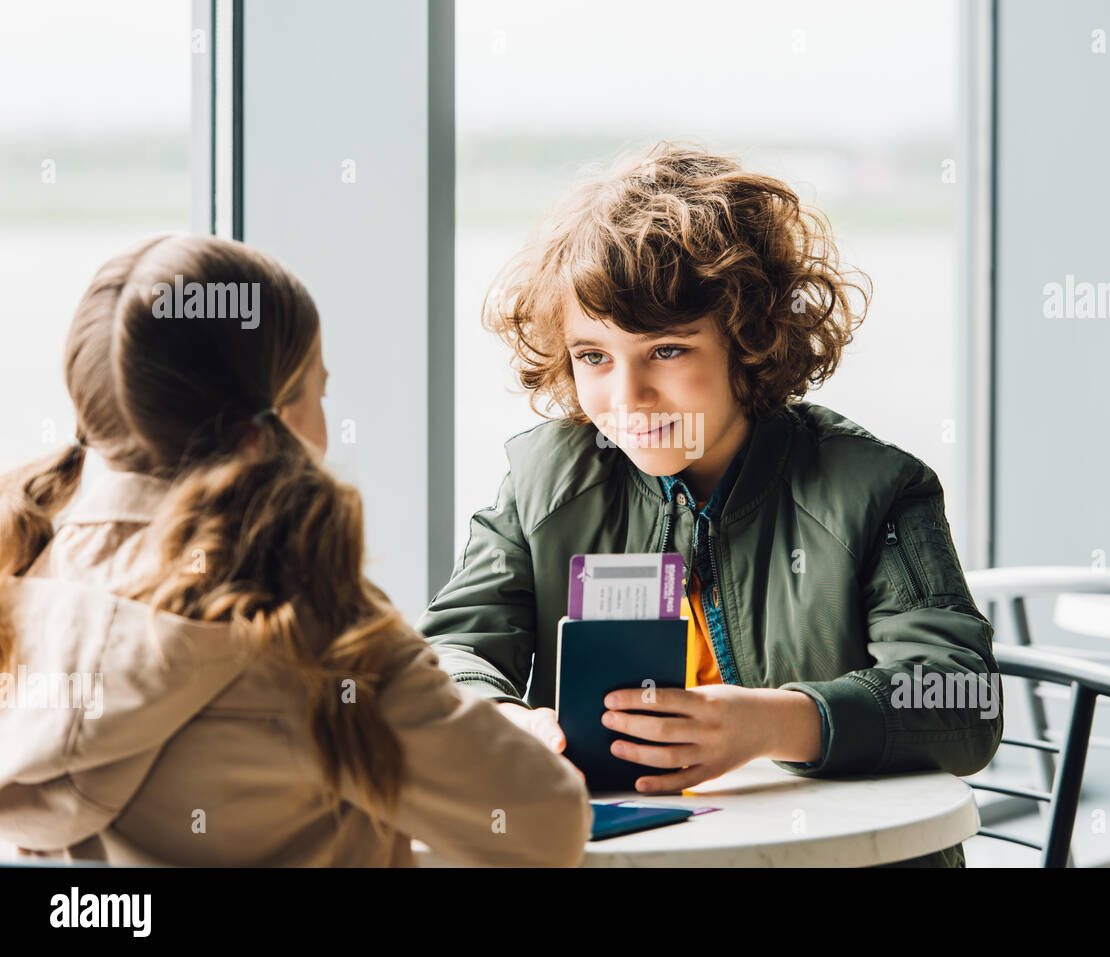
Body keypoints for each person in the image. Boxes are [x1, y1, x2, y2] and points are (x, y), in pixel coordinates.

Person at [419, 141, 1003, 868]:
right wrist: (502, 721)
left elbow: (961, 698)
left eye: (666, 350)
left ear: (751, 339)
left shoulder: (875, 487)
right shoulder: (542, 483)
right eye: (594, 356)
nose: (626, 398)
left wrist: (772, 723)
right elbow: (444, 655)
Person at [0, 233, 591, 866]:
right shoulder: (310, 632)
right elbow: (544, 822)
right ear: (272, 425)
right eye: (319, 394)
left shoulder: (23, 574)